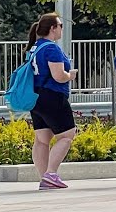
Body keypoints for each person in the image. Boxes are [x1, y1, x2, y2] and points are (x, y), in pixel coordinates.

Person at [27, 13, 78, 191]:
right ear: (52, 28)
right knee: (67, 135)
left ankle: (44, 177)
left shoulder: (35, 48)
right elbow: (58, 76)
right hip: (52, 96)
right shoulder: (52, 48)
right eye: (60, 25)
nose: (62, 29)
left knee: (42, 139)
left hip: (36, 98)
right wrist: (70, 75)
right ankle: (51, 174)